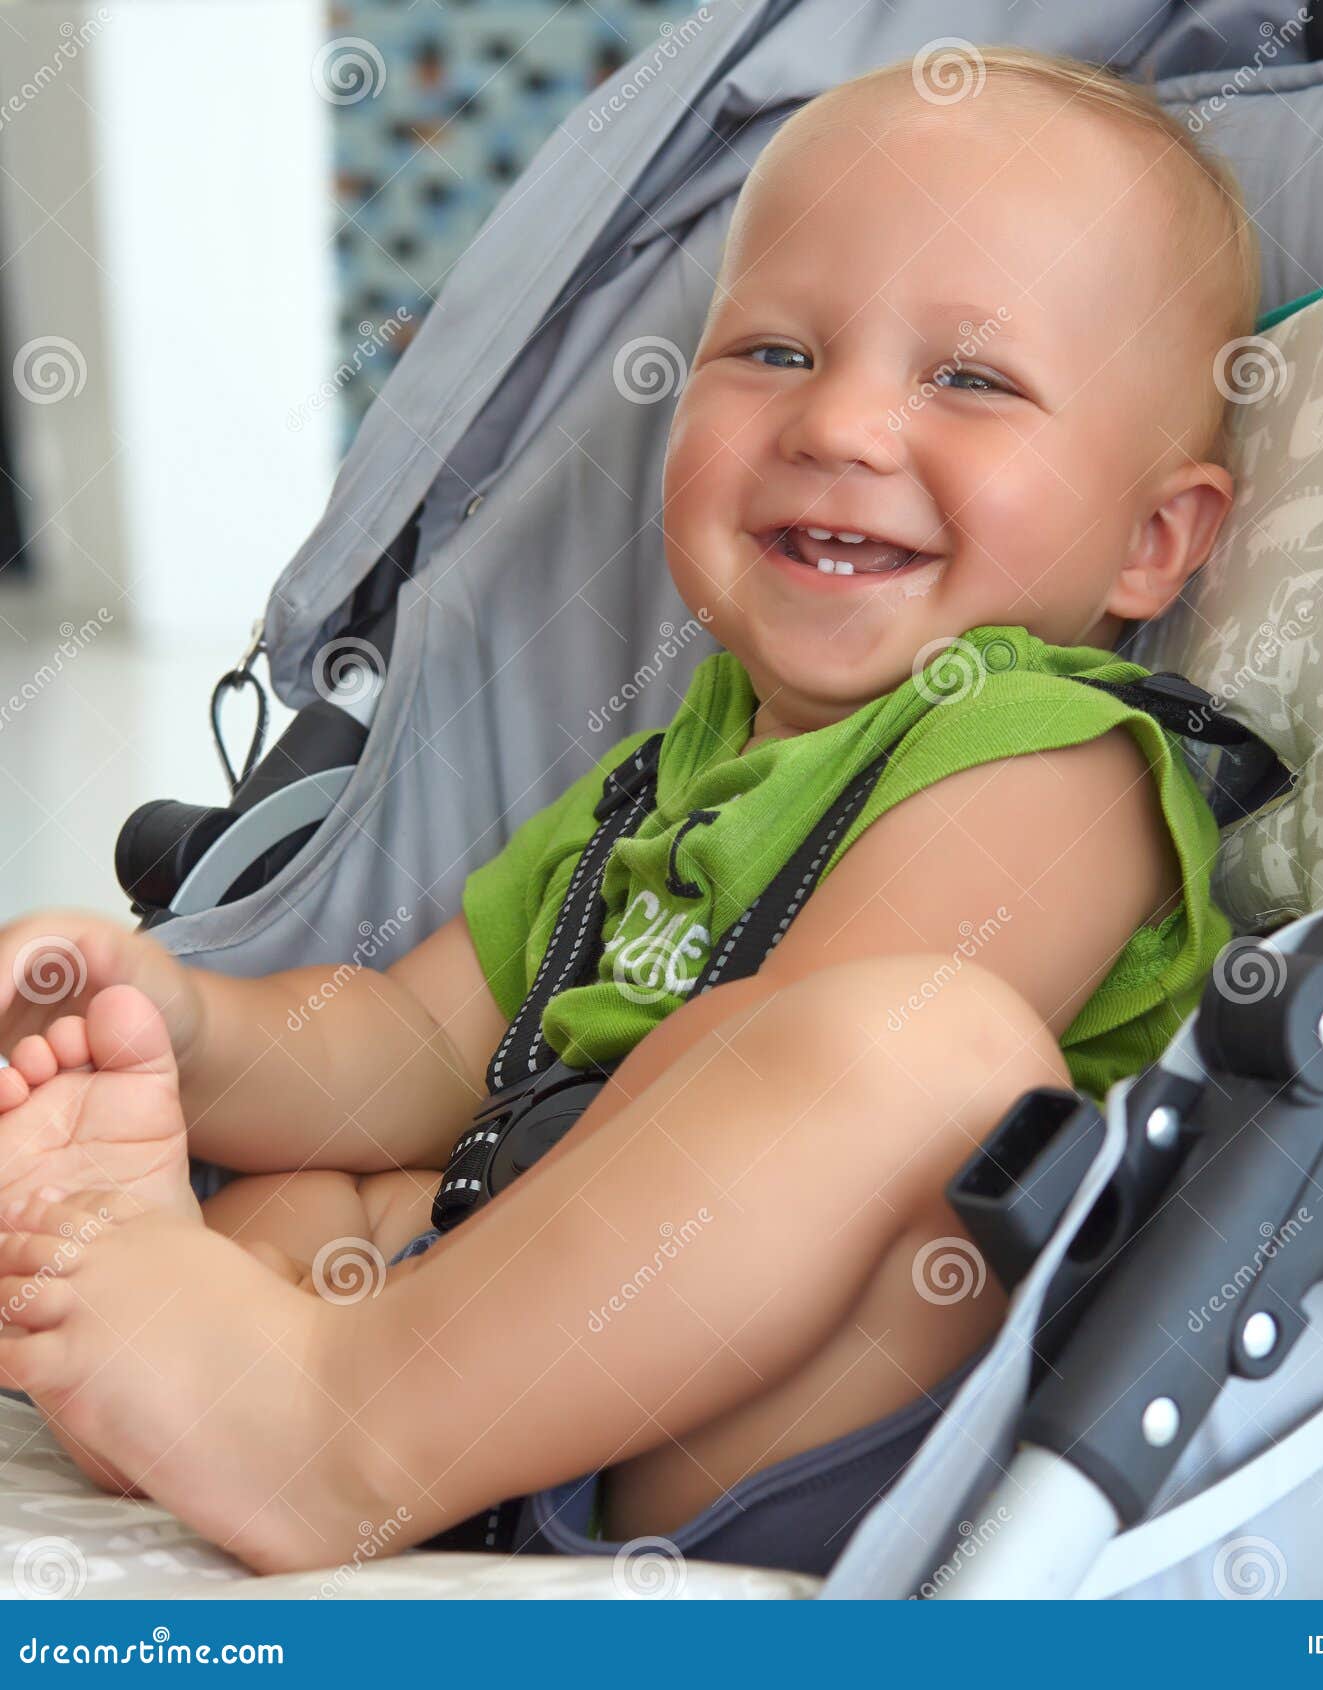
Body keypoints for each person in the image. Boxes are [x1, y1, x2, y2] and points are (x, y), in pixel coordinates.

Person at [0, 46, 1256, 1576]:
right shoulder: (657, 774)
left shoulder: (1063, 756)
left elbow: (806, 1075)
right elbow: (408, 1048)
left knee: (941, 1041)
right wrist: (192, 1026)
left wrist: (456, 1223)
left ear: (1152, 539)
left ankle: (333, 1423)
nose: (842, 425)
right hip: (508, 1341)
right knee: (295, 1184)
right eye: (776, 354)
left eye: (971, 380)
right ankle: (175, 1352)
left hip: (794, 1401)